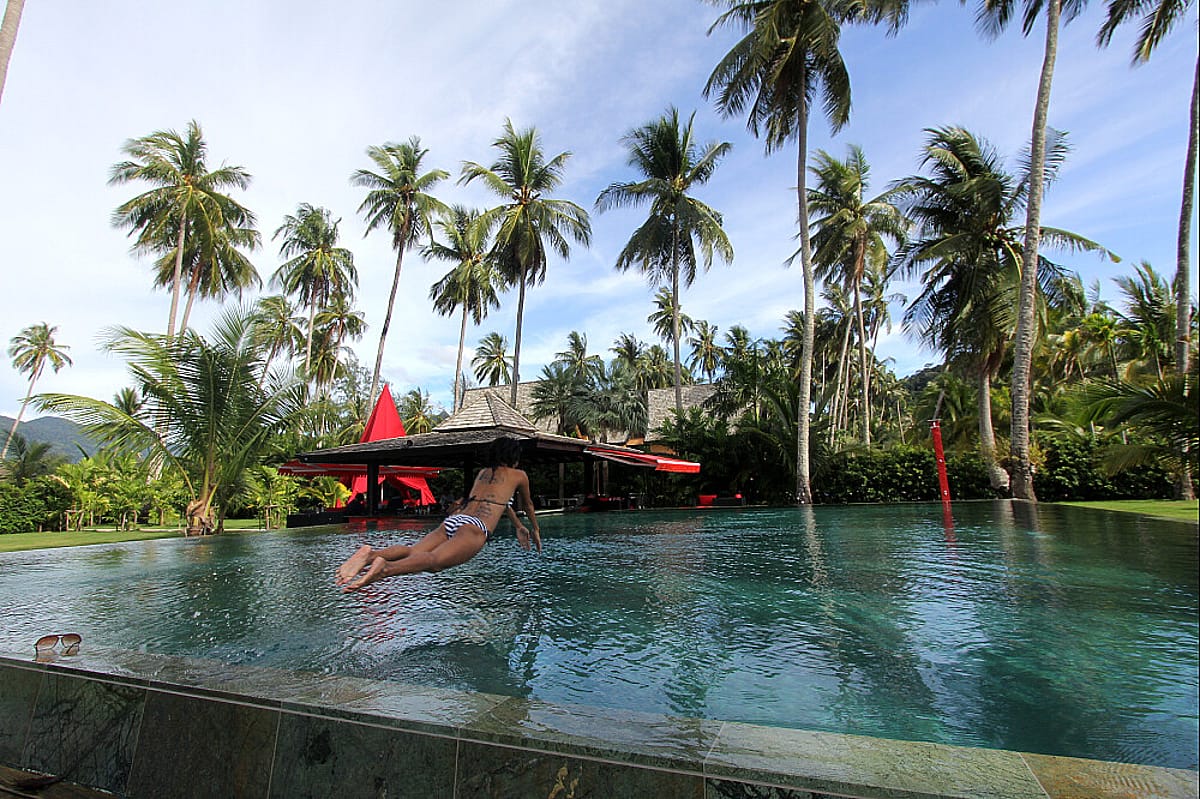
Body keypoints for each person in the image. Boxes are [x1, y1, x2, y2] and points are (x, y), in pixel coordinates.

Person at [335, 437, 541, 592]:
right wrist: (535, 529)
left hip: (454, 520)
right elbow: (528, 504)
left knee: (413, 551)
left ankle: (371, 555)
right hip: (476, 527)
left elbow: (500, 503)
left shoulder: (483, 473)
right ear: (514, 458)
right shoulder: (519, 475)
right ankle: (386, 569)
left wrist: (518, 526)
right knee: (434, 562)